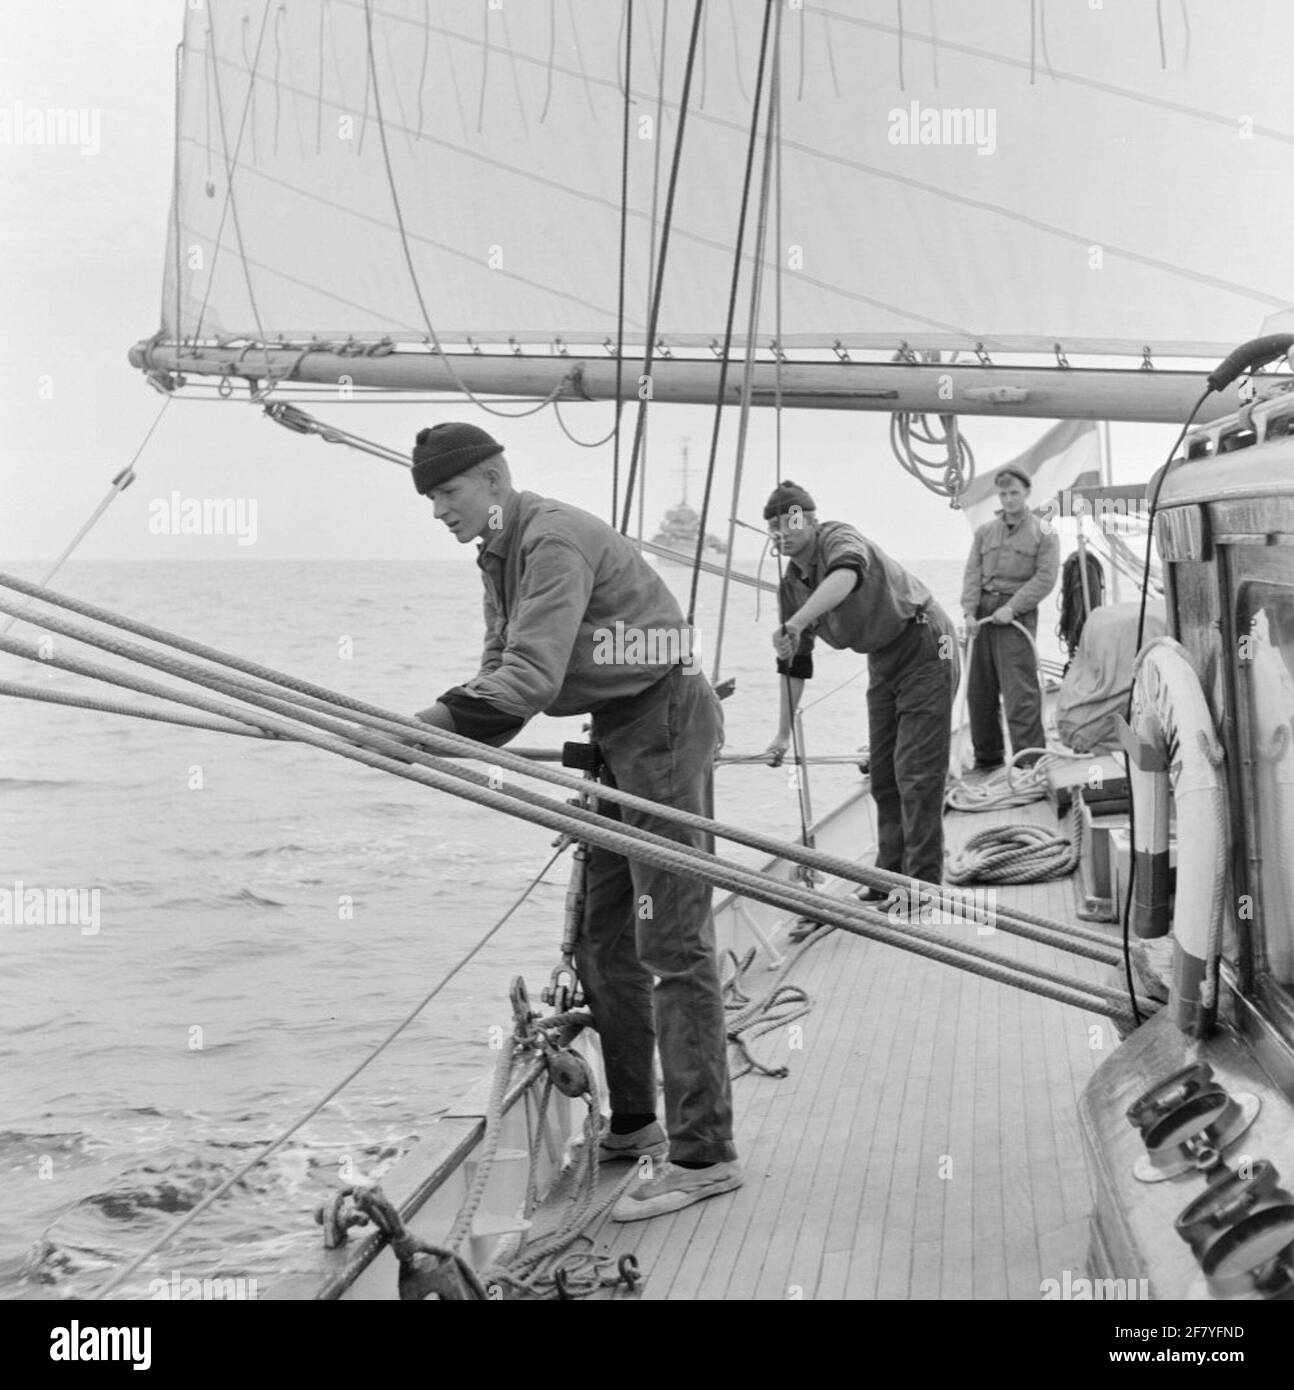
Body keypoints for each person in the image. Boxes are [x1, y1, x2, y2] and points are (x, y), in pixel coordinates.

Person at [407, 421, 741, 1222]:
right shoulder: (501, 551)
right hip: (620, 730)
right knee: (602, 932)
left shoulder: (549, 541)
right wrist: (418, 737)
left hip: (661, 722)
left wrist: (408, 732)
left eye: (447, 493)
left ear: (493, 480)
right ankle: (637, 1121)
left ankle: (706, 1156)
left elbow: (524, 682)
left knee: (673, 940)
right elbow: (501, 674)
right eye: (428, 499)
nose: (437, 511)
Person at [763, 480, 958, 897]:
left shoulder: (839, 537)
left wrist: (797, 623)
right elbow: (795, 663)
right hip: (883, 658)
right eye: (773, 525)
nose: (781, 531)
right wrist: (783, 733)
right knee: (884, 774)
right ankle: (889, 877)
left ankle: (922, 887)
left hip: (925, 643)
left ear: (813, 521)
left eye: (790, 520)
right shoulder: (791, 585)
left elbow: (846, 575)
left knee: (917, 772)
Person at [960, 466, 1060, 770]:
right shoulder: (984, 532)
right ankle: (987, 760)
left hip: (1015, 619)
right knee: (979, 693)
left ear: (1027, 493)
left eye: (1014, 493)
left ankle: (1028, 763)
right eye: (1003, 494)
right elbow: (972, 574)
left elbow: (1045, 578)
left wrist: (1012, 608)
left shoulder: (1044, 532)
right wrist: (968, 611)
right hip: (981, 619)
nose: (1008, 499)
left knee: (1020, 693)